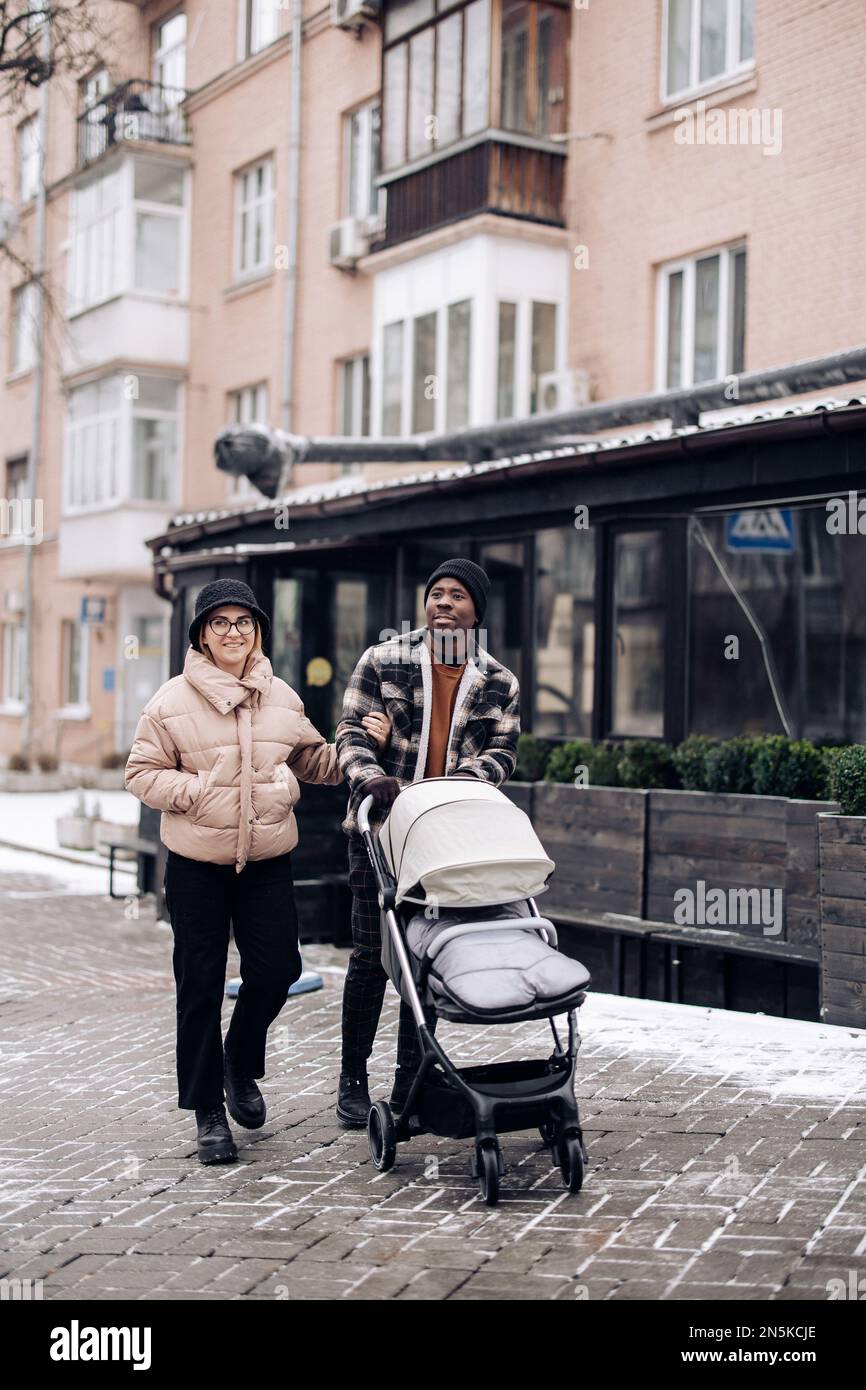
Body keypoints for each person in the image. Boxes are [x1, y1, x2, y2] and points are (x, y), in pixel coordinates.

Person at [124, 579, 389, 1163]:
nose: (234, 632)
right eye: (220, 622)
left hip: (266, 860)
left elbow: (315, 761)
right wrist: (199, 791)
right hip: (197, 864)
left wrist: (359, 743)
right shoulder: (169, 702)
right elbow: (140, 774)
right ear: (201, 634)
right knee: (199, 987)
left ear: (258, 631)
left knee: (277, 971)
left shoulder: (282, 697)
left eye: (243, 622)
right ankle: (207, 1113)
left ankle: (238, 1065)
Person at [334, 558, 521, 1126]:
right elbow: (348, 731)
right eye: (435, 593)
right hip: (379, 829)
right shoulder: (383, 659)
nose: (443, 603)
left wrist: (462, 784)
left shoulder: (498, 681)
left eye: (457, 596)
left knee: (422, 958)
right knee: (371, 956)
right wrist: (370, 777)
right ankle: (352, 1079)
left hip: (443, 839)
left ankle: (410, 1084)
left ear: (476, 611)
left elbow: (503, 754)